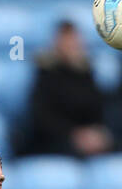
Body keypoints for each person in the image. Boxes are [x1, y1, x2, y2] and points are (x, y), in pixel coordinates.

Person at [21, 20, 114, 158]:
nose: (71, 44)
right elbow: (42, 117)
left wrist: (94, 133)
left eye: (74, 39)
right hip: (52, 141)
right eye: (66, 39)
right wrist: (74, 135)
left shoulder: (86, 72)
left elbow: (97, 109)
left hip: (86, 138)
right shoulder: (46, 73)